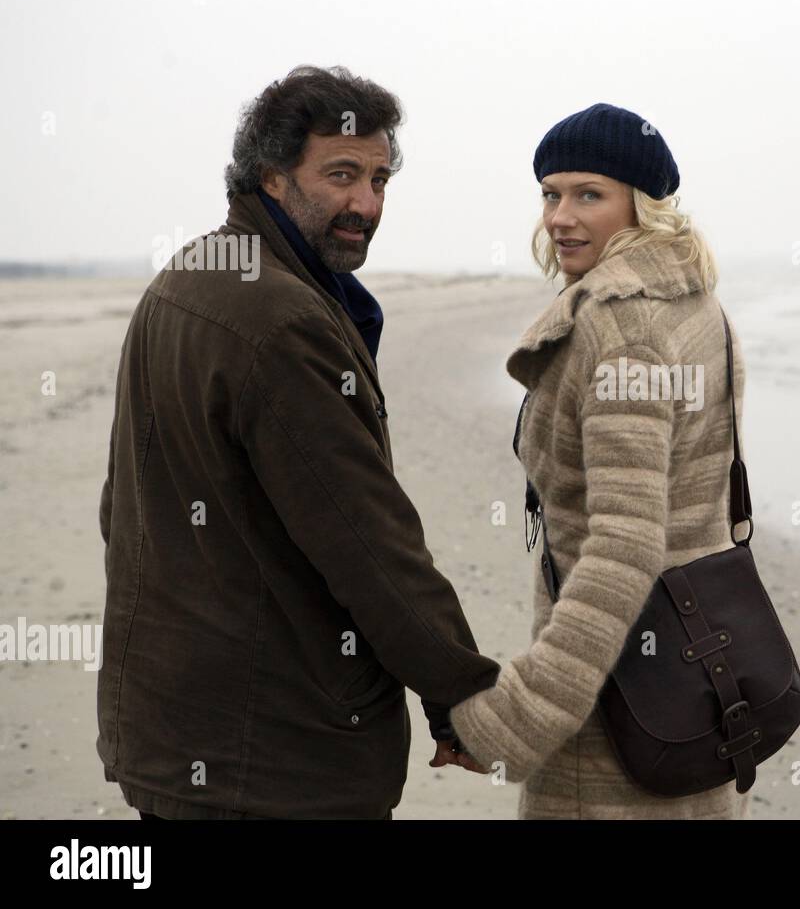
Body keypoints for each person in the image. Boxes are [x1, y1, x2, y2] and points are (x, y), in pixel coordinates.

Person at [97, 65, 498, 819]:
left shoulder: (183, 278)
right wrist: (463, 694)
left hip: (170, 733)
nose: (366, 204)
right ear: (272, 177)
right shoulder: (281, 321)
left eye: (380, 180)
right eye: (341, 175)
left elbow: (121, 507)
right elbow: (368, 541)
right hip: (275, 760)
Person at [443, 103, 752, 818]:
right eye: (551, 194)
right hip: (698, 669)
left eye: (589, 194)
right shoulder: (700, 304)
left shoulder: (622, 329)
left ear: (643, 205)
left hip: (614, 705)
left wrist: (520, 718)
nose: (560, 217)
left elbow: (623, 545)